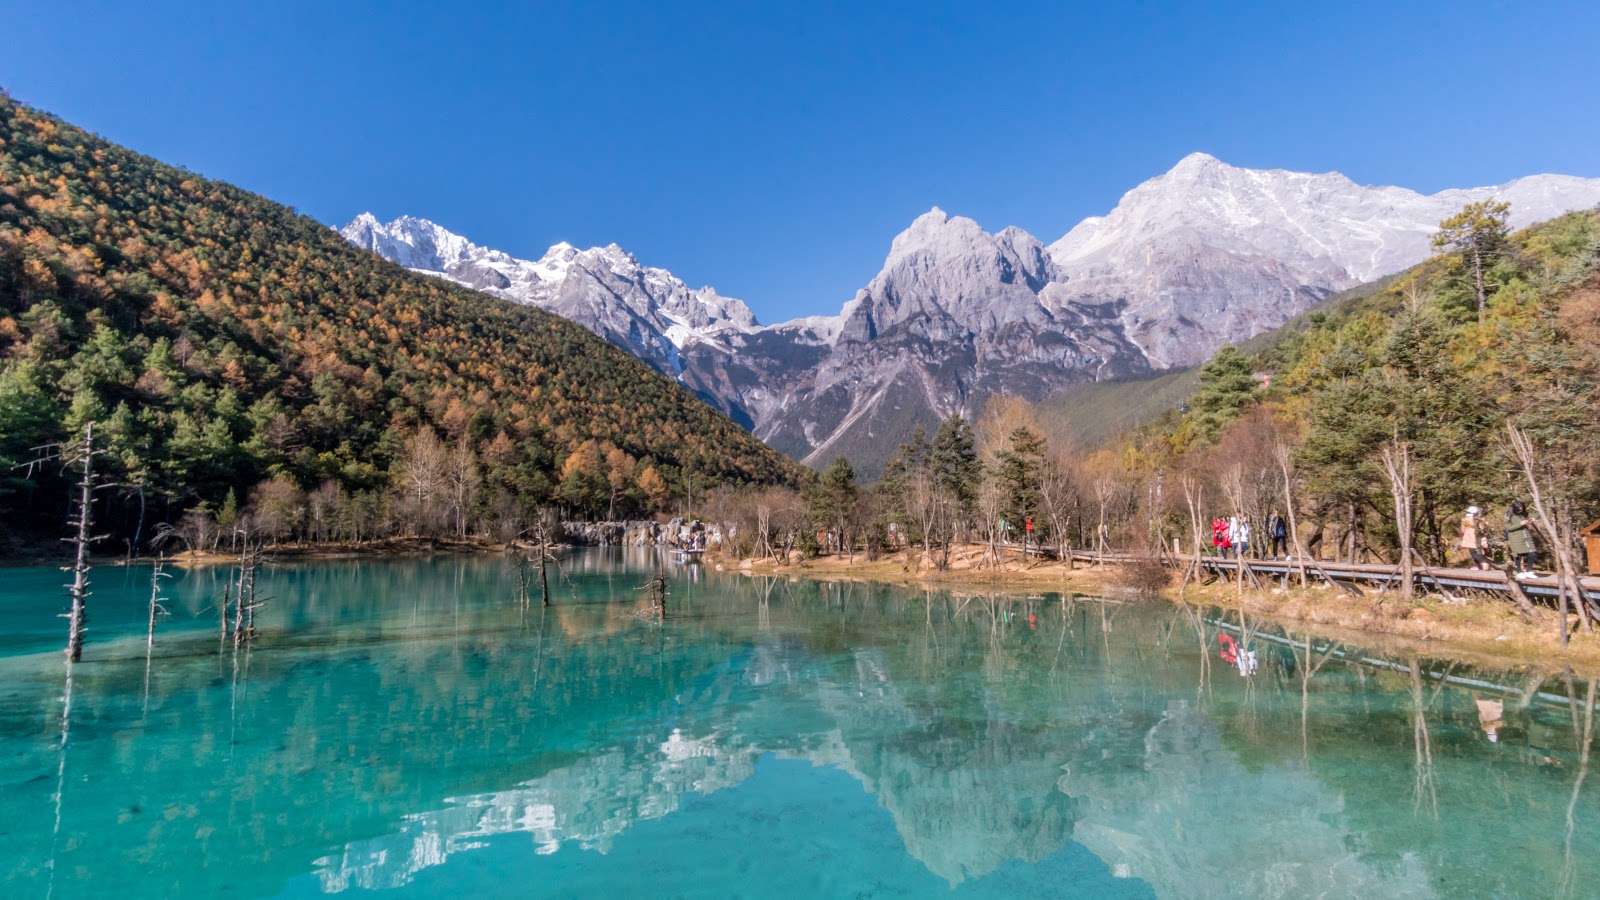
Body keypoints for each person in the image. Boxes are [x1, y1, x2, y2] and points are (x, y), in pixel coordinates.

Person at [1505, 501, 1538, 579]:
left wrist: (1533, 518)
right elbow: (1508, 527)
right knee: (1518, 555)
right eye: (1519, 509)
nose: (1520, 510)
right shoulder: (1508, 515)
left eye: (1522, 508)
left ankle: (1529, 571)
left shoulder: (1524, 513)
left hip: (1526, 536)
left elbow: (1537, 514)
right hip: (1515, 537)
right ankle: (1519, 571)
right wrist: (1520, 524)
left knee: (1532, 554)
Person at [1459, 506, 1490, 571]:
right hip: (1480, 537)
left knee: (1472, 552)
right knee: (1478, 552)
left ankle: (1482, 562)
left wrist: (1462, 535)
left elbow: (1462, 530)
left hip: (1470, 537)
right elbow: (1485, 527)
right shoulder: (1481, 520)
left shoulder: (1466, 520)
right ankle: (1476, 566)